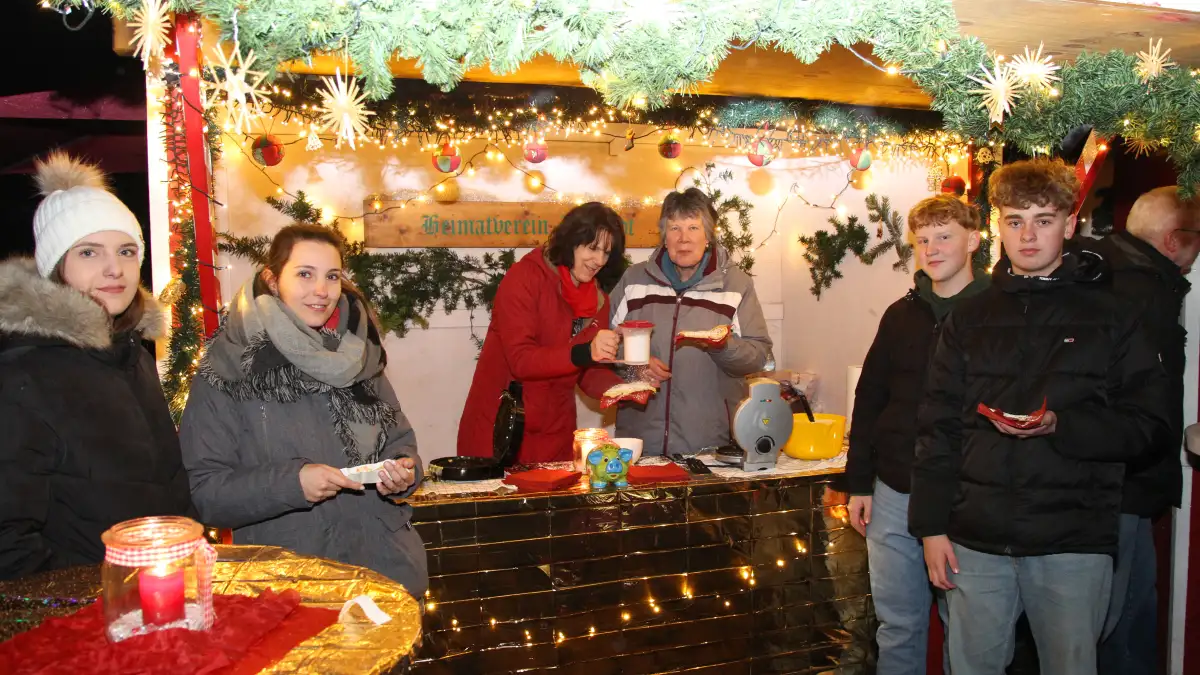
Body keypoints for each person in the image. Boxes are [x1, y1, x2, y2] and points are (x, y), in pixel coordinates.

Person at [909, 159, 1170, 675]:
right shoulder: (969, 317)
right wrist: (931, 529)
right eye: (1014, 220)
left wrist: (1062, 426)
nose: (1027, 236)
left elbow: (1151, 426)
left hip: (1071, 540)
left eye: (1043, 220)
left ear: (1069, 225)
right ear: (997, 226)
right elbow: (937, 427)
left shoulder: (1114, 316)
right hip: (975, 538)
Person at [180, 224, 427, 597]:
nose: (322, 291)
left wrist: (403, 472)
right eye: (304, 274)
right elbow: (206, 493)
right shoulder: (230, 364)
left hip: (385, 575)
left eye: (331, 276)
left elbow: (401, 443)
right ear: (272, 278)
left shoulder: (359, 353)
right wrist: (292, 484)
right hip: (290, 588)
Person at [0, 152, 194, 579]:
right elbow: (10, 541)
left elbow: (170, 487)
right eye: (89, 252)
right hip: (82, 621)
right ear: (57, 269)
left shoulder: (132, 357)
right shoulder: (24, 375)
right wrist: (87, 605)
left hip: (160, 597)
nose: (114, 268)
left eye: (126, 251)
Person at [844, 194, 988, 674]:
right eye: (923, 240)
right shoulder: (900, 314)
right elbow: (870, 400)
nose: (932, 249)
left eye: (944, 237)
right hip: (894, 491)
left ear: (973, 239)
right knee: (898, 625)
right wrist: (859, 483)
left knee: (967, 633)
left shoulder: (996, 315)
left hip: (966, 496)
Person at [1084, 186, 1200, 675]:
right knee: (1118, 620)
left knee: (1128, 609)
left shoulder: (1107, 270)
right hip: (1121, 482)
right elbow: (1139, 396)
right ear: (1174, 240)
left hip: (1112, 476)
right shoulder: (1143, 290)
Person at [609, 187, 772, 456]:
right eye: (674, 228)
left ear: (708, 235)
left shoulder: (736, 285)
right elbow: (606, 342)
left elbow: (759, 355)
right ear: (664, 236)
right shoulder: (634, 280)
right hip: (639, 442)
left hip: (711, 444)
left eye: (693, 227)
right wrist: (635, 362)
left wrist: (722, 345)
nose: (684, 238)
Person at [458, 202, 626, 462]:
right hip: (502, 431)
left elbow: (588, 372)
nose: (599, 261)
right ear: (571, 241)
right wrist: (584, 351)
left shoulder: (598, 300)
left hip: (556, 436)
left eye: (606, 252)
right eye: (592, 248)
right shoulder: (524, 278)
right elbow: (522, 361)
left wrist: (626, 388)